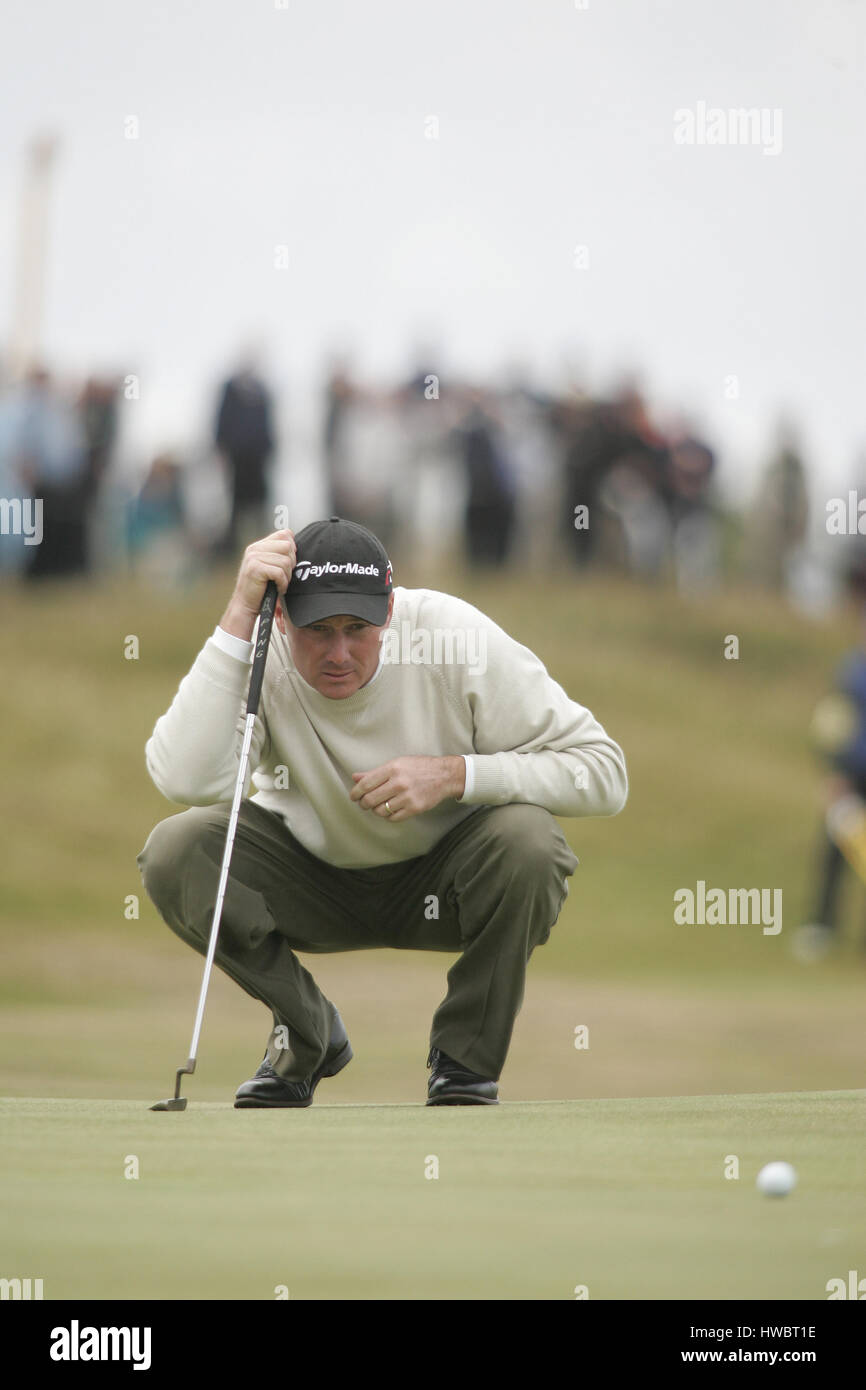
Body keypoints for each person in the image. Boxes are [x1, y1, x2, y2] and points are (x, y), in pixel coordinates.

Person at [137, 517, 628, 1106]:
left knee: (530, 841)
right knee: (175, 850)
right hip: (308, 883)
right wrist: (240, 615)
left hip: (446, 882)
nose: (338, 652)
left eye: (357, 628)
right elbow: (183, 778)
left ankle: (464, 1061)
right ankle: (306, 1033)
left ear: (389, 612)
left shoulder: (454, 638)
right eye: (318, 629)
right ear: (285, 616)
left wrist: (455, 774)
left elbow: (603, 771)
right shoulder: (260, 647)